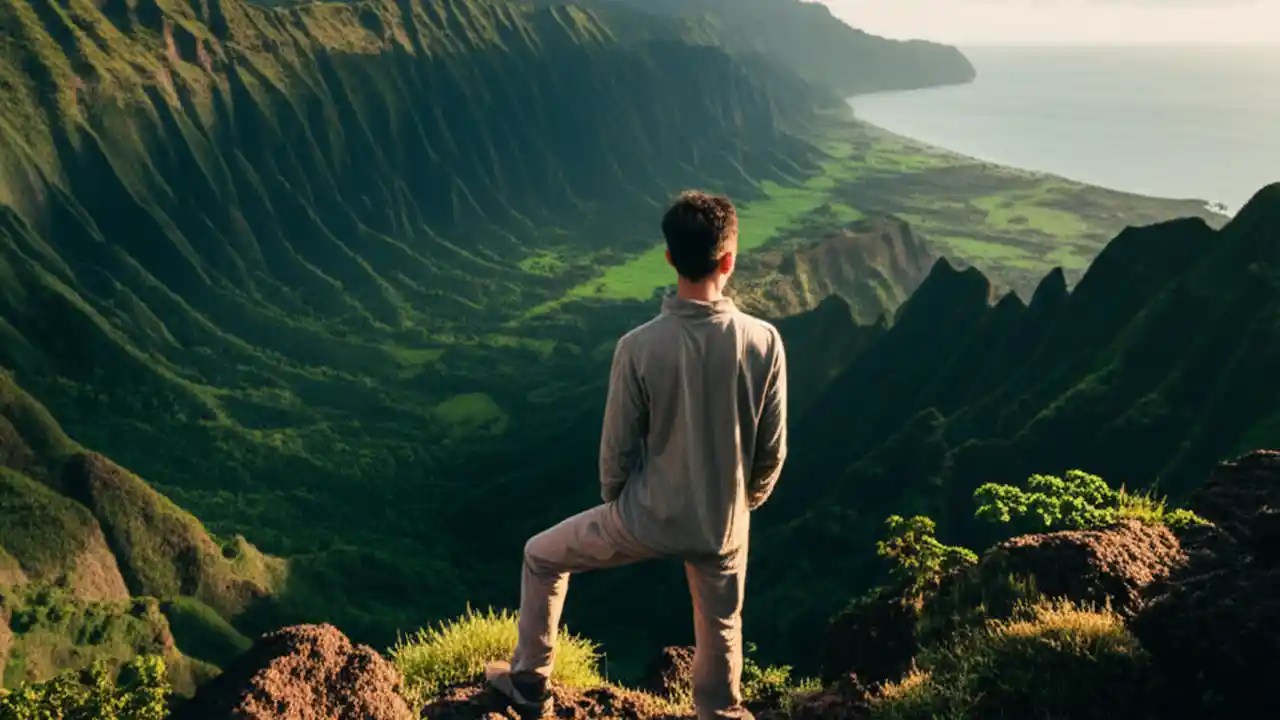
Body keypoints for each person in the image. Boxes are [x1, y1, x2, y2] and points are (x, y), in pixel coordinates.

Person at [486, 190, 789, 719]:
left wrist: (619, 507)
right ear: (729, 260)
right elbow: (771, 452)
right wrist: (740, 504)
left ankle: (530, 684)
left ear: (669, 257)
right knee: (721, 623)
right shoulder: (763, 341)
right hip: (721, 523)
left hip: (645, 517)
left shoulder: (639, 346)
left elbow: (616, 451)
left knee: (541, 556)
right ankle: (717, 710)